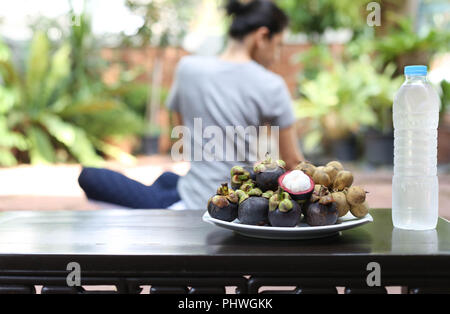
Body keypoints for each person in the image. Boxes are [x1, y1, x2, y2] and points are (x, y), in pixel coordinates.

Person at [78, 0, 304, 210]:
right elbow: (293, 163)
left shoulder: (188, 68)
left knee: (102, 176)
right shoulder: (271, 85)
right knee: (152, 177)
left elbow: (181, 138)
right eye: (277, 45)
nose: (275, 56)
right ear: (262, 37)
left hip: (193, 194)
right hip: (223, 201)